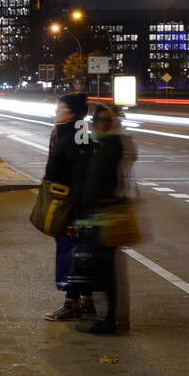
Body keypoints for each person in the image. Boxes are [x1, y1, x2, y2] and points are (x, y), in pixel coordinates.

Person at [76, 103, 133, 334]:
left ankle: (111, 320)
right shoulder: (102, 145)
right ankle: (110, 317)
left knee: (105, 268)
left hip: (105, 213)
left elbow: (98, 183)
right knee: (103, 267)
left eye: (106, 121)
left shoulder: (110, 146)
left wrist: (85, 213)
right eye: (99, 121)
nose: (102, 125)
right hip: (100, 212)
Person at [44, 93, 94, 321]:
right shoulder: (75, 130)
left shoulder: (70, 132)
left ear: (71, 113)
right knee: (80, 252)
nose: (56, 113)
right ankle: (86, 299)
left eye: (60, 109)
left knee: (70, 252)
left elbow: (76, 168)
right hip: (77, 201)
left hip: (72, 202)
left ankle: (72, 303)